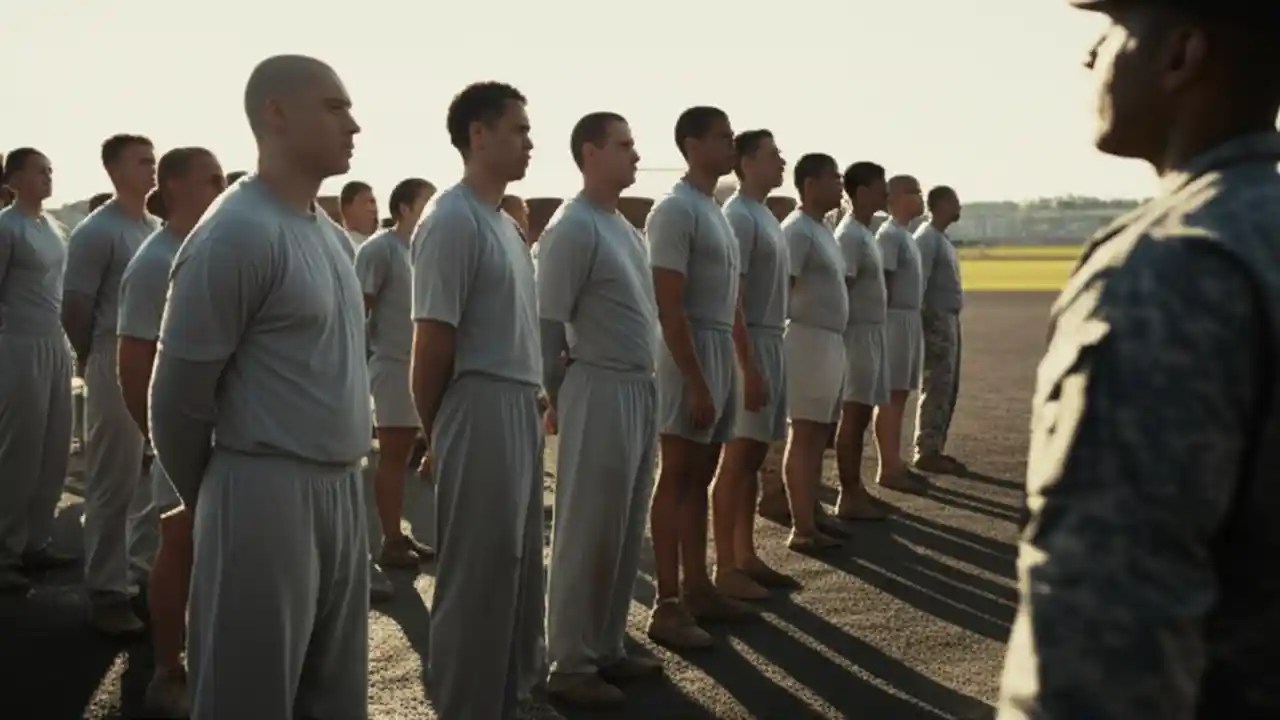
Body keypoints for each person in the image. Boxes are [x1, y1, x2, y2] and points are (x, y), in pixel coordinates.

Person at [999, 2, 1280, 718]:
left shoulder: (1176, 259)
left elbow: (1108, 618)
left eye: (1115, 31)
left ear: (1180, 55)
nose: (1091, 58)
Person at [150, 54, 371, 718]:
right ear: (276, 113)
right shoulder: (236, 233)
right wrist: (222, 500)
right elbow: (176, 400)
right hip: (263, 487)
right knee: (248, 697)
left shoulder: (329, 236)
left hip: (338, 485)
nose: (353, 123)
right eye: (334, 107)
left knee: (333, 698)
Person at [412, 81, 560, 720]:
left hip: (516, 405)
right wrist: (437, 432)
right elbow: (432, 344)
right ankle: (467, 705)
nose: (530, 141)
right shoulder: (451, 220)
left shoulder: (503, 223)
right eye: (518, 129)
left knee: (517, 566)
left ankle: (511, 696)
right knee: (476, 573)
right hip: (475, 404)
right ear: (478, 134)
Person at [540, 112, 664, 707]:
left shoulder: (622, 225)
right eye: (625, 145)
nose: (636, 155)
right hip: (597, 388)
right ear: (591, 152)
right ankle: (569, 663)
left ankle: (607, 645)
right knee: (587, 528)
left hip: (638, 389)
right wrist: (554, 395)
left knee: (621, 528)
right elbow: (547, 322)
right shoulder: (573, 226)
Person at [646, 105, 764, 650]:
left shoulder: (713, 209)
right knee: (679, 474)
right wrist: (695, 380)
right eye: (722, 137)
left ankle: (698, 587)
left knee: (703, 473)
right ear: (692, 144)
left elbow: (731, 302)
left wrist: (741, 365)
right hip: (686, 352)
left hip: (717, 350)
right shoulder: (674, 211)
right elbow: (670, 305)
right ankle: (665, 603)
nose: (730, 144)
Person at [116, 146, 225, 717]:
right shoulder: (155, 259)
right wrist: (155, 437)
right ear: (176, 187)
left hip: (218, 435)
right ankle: (167, 668)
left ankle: (206, 658)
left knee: (212, 554)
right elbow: (133, 360)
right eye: (211, 179)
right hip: (179, 437)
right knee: (177, 547)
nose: (221, 185)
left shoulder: (204, 247)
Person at [62, 133, 160, 635]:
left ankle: (138, 574)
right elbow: (75, 306)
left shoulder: (156, 228)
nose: (153, 168)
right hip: (112, 356)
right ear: (115, 170)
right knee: (113, 479)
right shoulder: (97, 232)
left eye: (154, 159)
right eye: (143, 161)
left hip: (155, 361)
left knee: (150, 481)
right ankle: (106, 589)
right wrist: (91, 359)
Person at [711, 129, 797, 598]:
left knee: (753, 457)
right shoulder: (739, 216)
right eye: (772, 155)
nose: (781, 161)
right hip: (751, 344)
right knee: (738, 458)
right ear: (746, 162)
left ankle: (745, 556)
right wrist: (748, 366)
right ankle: (727, 565)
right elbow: (734, 299)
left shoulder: (762, 214)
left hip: (771, 338)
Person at [0, 148, 75, 594]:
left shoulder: (56, 227)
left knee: (53, 448)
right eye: (39, 171)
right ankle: (4, 551)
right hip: (17, 345)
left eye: (50, 170)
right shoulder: (5, 227)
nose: (48, 177)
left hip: (54, 343)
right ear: (14, 178)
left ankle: (36, 541)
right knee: (18, 451)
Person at [354, 177, 435, 577]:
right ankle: (389, 540)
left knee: (407, 455)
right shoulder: (380, 250)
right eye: (426, 202)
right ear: (404, 208)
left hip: (421, 365)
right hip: (392, 365)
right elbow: (359, 311)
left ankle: (400, 534)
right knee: (393, 454)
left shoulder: (425, 249)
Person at [778, 154, 849, 552]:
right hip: (807, 341)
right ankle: (802, 527)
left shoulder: (821, 229)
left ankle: (814, 514)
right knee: (804, 433)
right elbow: (783, 288)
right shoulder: (798, 231)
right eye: (834, 178)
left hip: (830, 341)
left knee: (820, 433)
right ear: (809, 184)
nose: (841, 185)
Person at [832, 162, 892, 521]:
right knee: (853, 416)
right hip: (855, 335)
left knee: (862, 414)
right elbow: (844, 290)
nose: (886, 192)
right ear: (863, 191)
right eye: (881, 186)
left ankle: (855, 489)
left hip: (871, 333)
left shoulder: (866, 231)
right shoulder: (850, 236)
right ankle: (848, 493)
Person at [872, 175, 929, 494]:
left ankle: (895, 462)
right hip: (893, 320)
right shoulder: (889, 235)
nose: (920, 198)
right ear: (894, 197)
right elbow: (883, 282)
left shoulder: (906, 235)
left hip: (908, 318)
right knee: (891, 395)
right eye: (914, 192)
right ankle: (888, 466)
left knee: (901, 393)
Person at [912, 186, 965, 474]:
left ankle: (935, 447)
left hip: (949, 318)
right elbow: (918, 283)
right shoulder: (927, 239)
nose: (959, 206)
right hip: (936, 318)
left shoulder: (940, 239)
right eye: (955, 201)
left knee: (948, 385)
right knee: (936, 382)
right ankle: (926, 448)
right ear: (941, 205)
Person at [340, 179, 378, 249]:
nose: (373, 209)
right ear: (347, 209)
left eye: (373, 202)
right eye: (365, 202)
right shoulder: (341, 246)